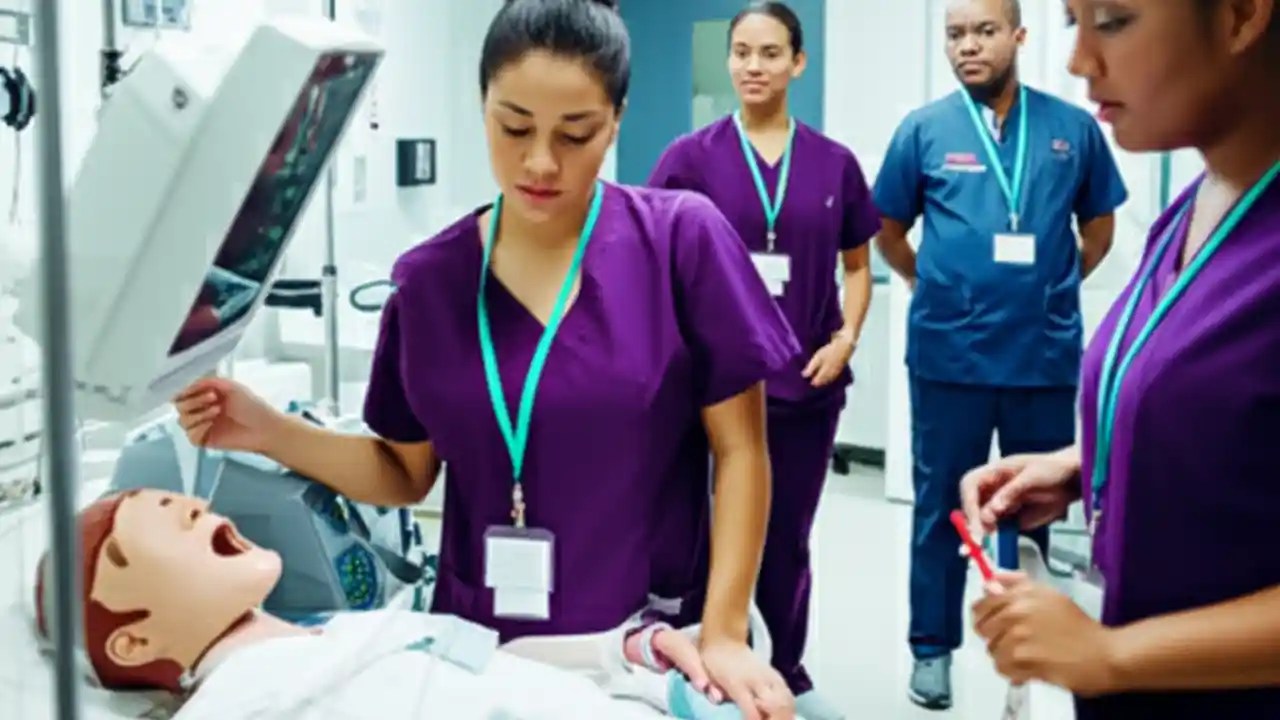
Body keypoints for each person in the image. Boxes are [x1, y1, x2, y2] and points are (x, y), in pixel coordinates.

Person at [174, 1, 799, 718]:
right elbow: (405, 473)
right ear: (483, 107)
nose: (540, 161)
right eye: (514, 126)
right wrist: (264, 430)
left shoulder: (681, 242)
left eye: (576, 133)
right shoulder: (428, 281)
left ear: (616, 119)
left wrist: (723, 632)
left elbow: (743, 450)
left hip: (648, 638)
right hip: (480, 652)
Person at [961, 0, 1280, 718]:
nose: (1079, 62)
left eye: (1113, 20)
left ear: (1239, 15)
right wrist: (1083, 465)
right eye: (1075, 24)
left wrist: (1111, 655)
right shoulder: (1195, 209)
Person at [872, 0, 1129, 710]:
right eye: (955, 34)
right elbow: (888, 230)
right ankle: (931, 650)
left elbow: (1099, 228)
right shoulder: (923, 131)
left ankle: (1033, 653)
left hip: (1040, 356)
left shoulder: (1071, 129)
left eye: (984, 31)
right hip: (950, 356)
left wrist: (1051, 285)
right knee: (939, 507)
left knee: (1034, 511)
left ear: (1018, 36)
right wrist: (936, 281)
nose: (969, 46)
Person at [648, 4, 876, 717]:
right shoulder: (690, 158)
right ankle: (704, 658)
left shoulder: (834, 163)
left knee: (785, 541)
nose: (753, 65)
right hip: (711, 388)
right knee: (698, 533)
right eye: (741, 52)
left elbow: (859, 267)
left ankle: (788, 669)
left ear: (797, 63)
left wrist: (846, 341)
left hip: (805, 387)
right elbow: (653, 262)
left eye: (770, 52)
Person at [30, 489, 721, 718]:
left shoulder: (333, 633)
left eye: (180, 500)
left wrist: (620, 652)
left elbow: (484, 661)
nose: (192, 504)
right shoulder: (241, 704)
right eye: (161, 522)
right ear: (133, 643)